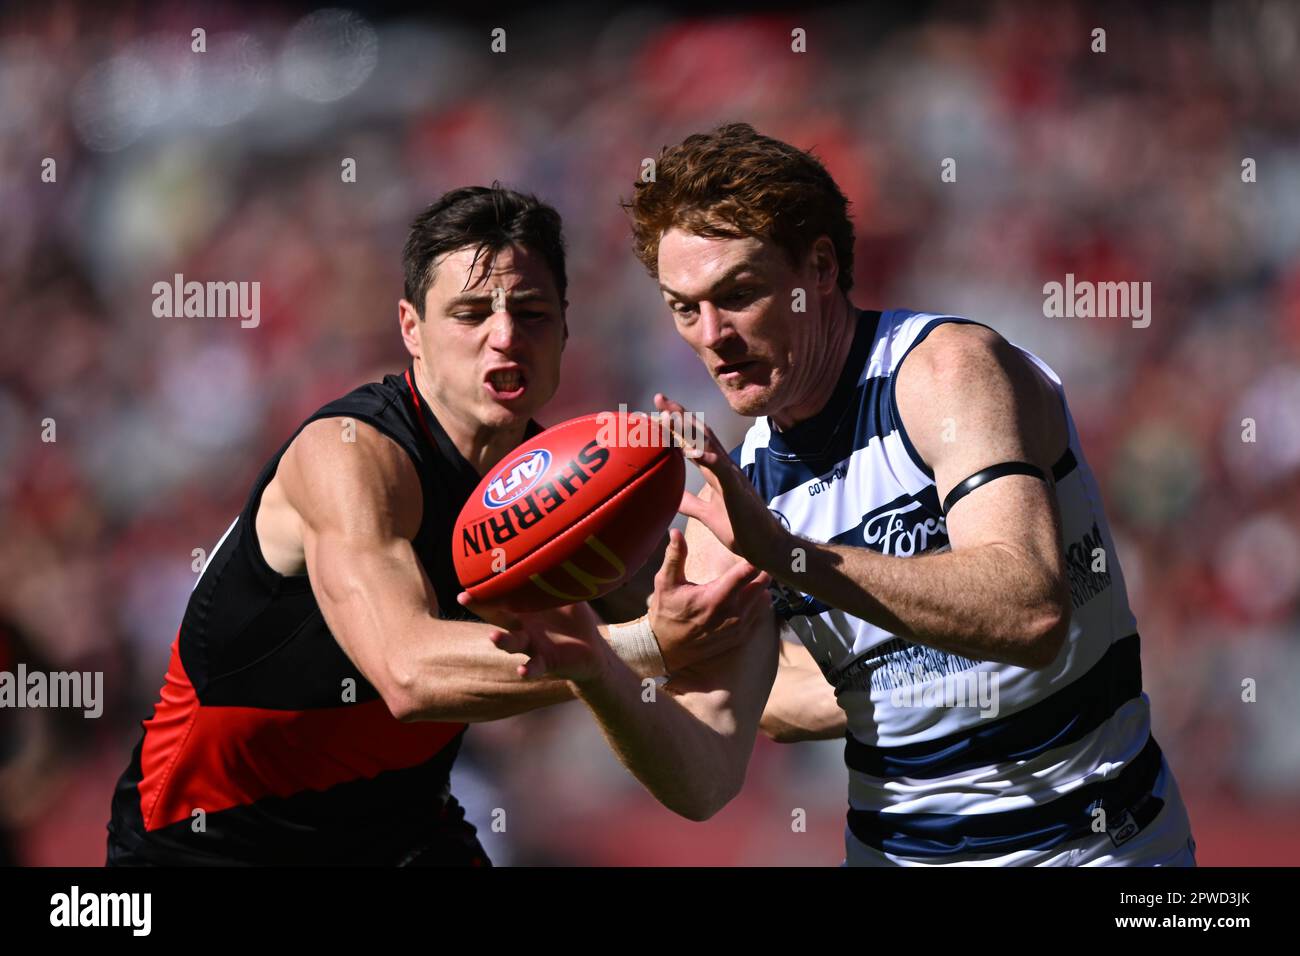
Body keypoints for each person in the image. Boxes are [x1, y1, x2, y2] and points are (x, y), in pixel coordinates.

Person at [496, 123, 1197, 866]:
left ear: (820, 268)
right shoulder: (737, 488)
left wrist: (787, 557)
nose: (711, 336)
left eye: (739, 293)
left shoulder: (944, 374)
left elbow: (1028, 611)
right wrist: (611, 661)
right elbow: (706, 776)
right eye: (683, 307)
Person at [105, 185, 768, 866]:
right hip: (210, 846)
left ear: (566, 328)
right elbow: (408, 672)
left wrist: (778, 591)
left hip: (400, 835)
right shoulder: (349, 454)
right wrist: (633, 649)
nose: (505, 336)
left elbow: (702, 774)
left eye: (533, 313)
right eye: (470, 313)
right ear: (411, 328)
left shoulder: (574, 493)